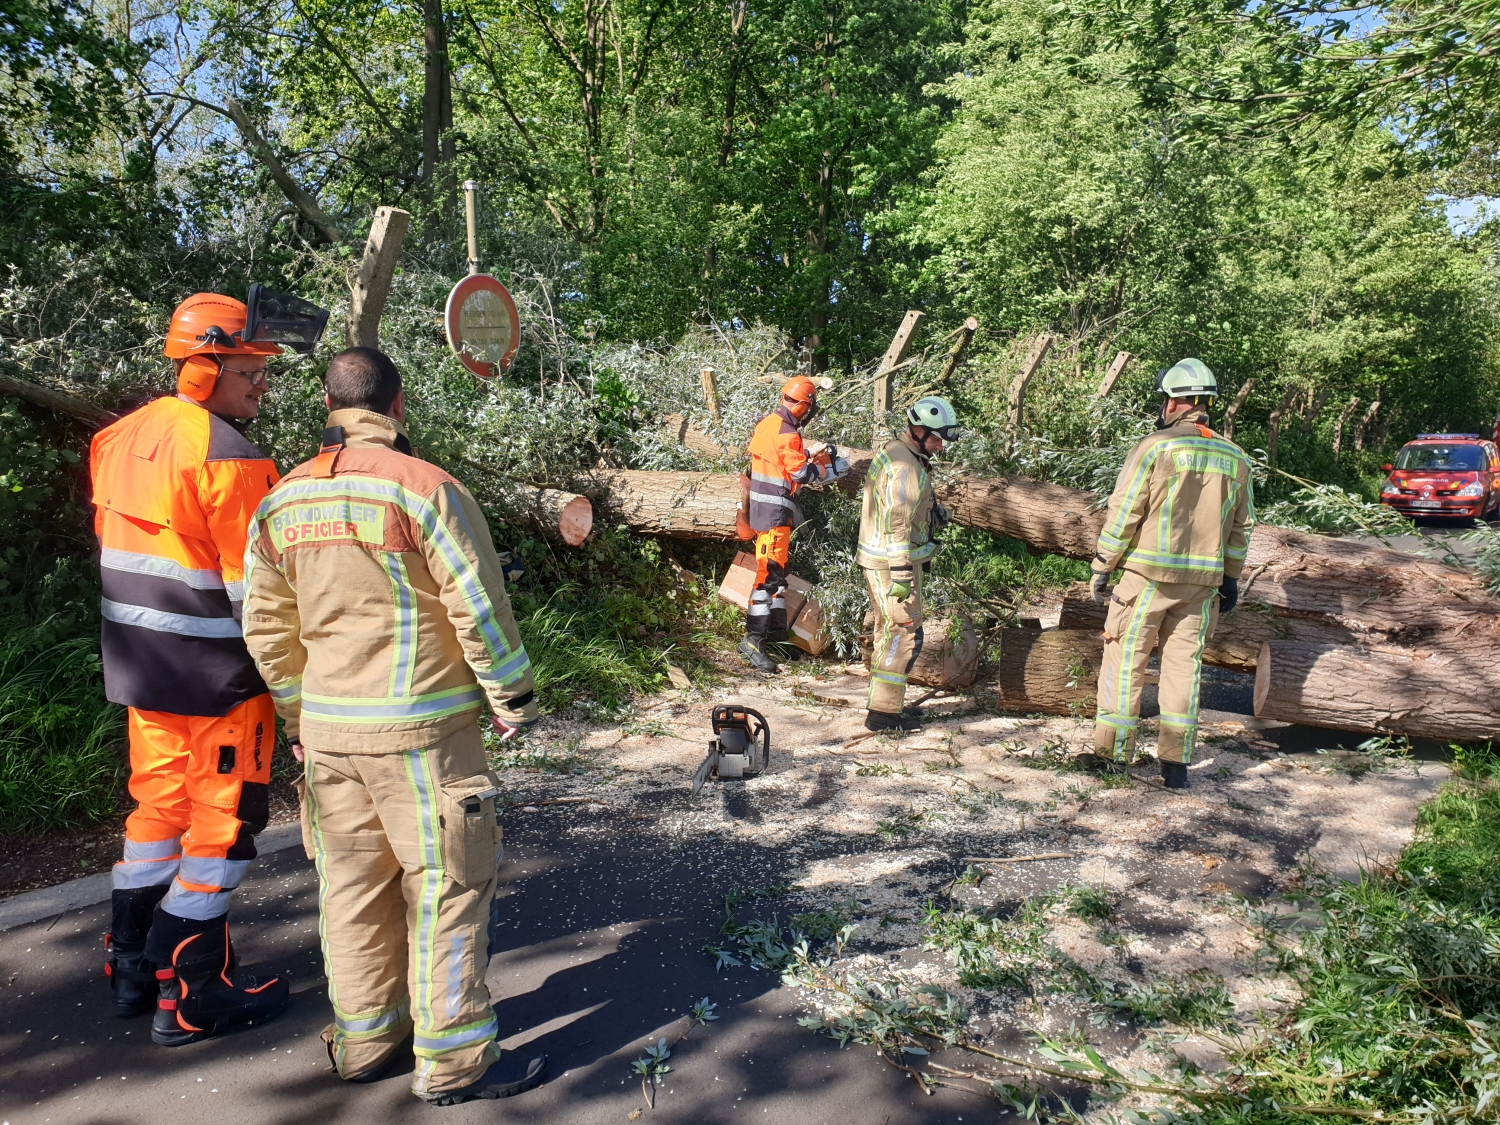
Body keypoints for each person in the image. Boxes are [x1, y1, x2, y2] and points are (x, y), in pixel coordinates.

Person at [242, 347, 546, 1106]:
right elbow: (477, 604)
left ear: (328, 404)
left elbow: (266, 626)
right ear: (399, 405)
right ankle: (454, 1062)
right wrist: (513, 698)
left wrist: (296, 714)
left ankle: (368, 1039)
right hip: (423, 732)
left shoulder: (281, 500)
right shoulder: (427, 490)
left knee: (349, 886)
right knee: (446, 886)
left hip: (331, 735)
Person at [90, 292, 304, 1043]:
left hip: (143, 668)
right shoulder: (232, 457)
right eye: (251, 370)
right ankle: (190, 991)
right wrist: (297, 692)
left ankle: (131, 966)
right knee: (223, 825)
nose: (262, 385)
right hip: (219, 677)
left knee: (156, 814)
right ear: (205, 365)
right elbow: (264, 597)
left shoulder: (117, 439)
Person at [1089, 358, 1254, 788]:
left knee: (1126, 660)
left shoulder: (1155, 448)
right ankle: (1176, 765)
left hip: (1147, 577)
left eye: (1166, 399)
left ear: (1178, 403)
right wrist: (1231, 577)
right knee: (1184, 667)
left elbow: (1125, 513)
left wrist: (1102, 565)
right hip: (1202, 585)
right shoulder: (1235, 457)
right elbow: (1242, 525)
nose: (1163, 407)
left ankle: (1112, 756)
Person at [857, 396, 960, 733]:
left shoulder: (897, 451)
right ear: (918, 430)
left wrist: (933, 514)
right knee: (904, 632)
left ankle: (886, 703)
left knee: (888, 631)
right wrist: (901, 574)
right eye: (936, 438)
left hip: (880, 559)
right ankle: (883, 716)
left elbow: (900, 508)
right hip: (892, 565)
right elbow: (897, 523)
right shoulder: (905, 467)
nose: (941, 446)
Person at [738, 375, 844, 672]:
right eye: (806, 408)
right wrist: (826, 469)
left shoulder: (769, 424)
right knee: (768, 575)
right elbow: (800, 475)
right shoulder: (788, 431)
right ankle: (752, 640)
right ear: (801, 405)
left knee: (777, 573)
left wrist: (810, 452)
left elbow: (780, 457)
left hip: (764, 510)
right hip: (774, 512)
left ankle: (775, 638)